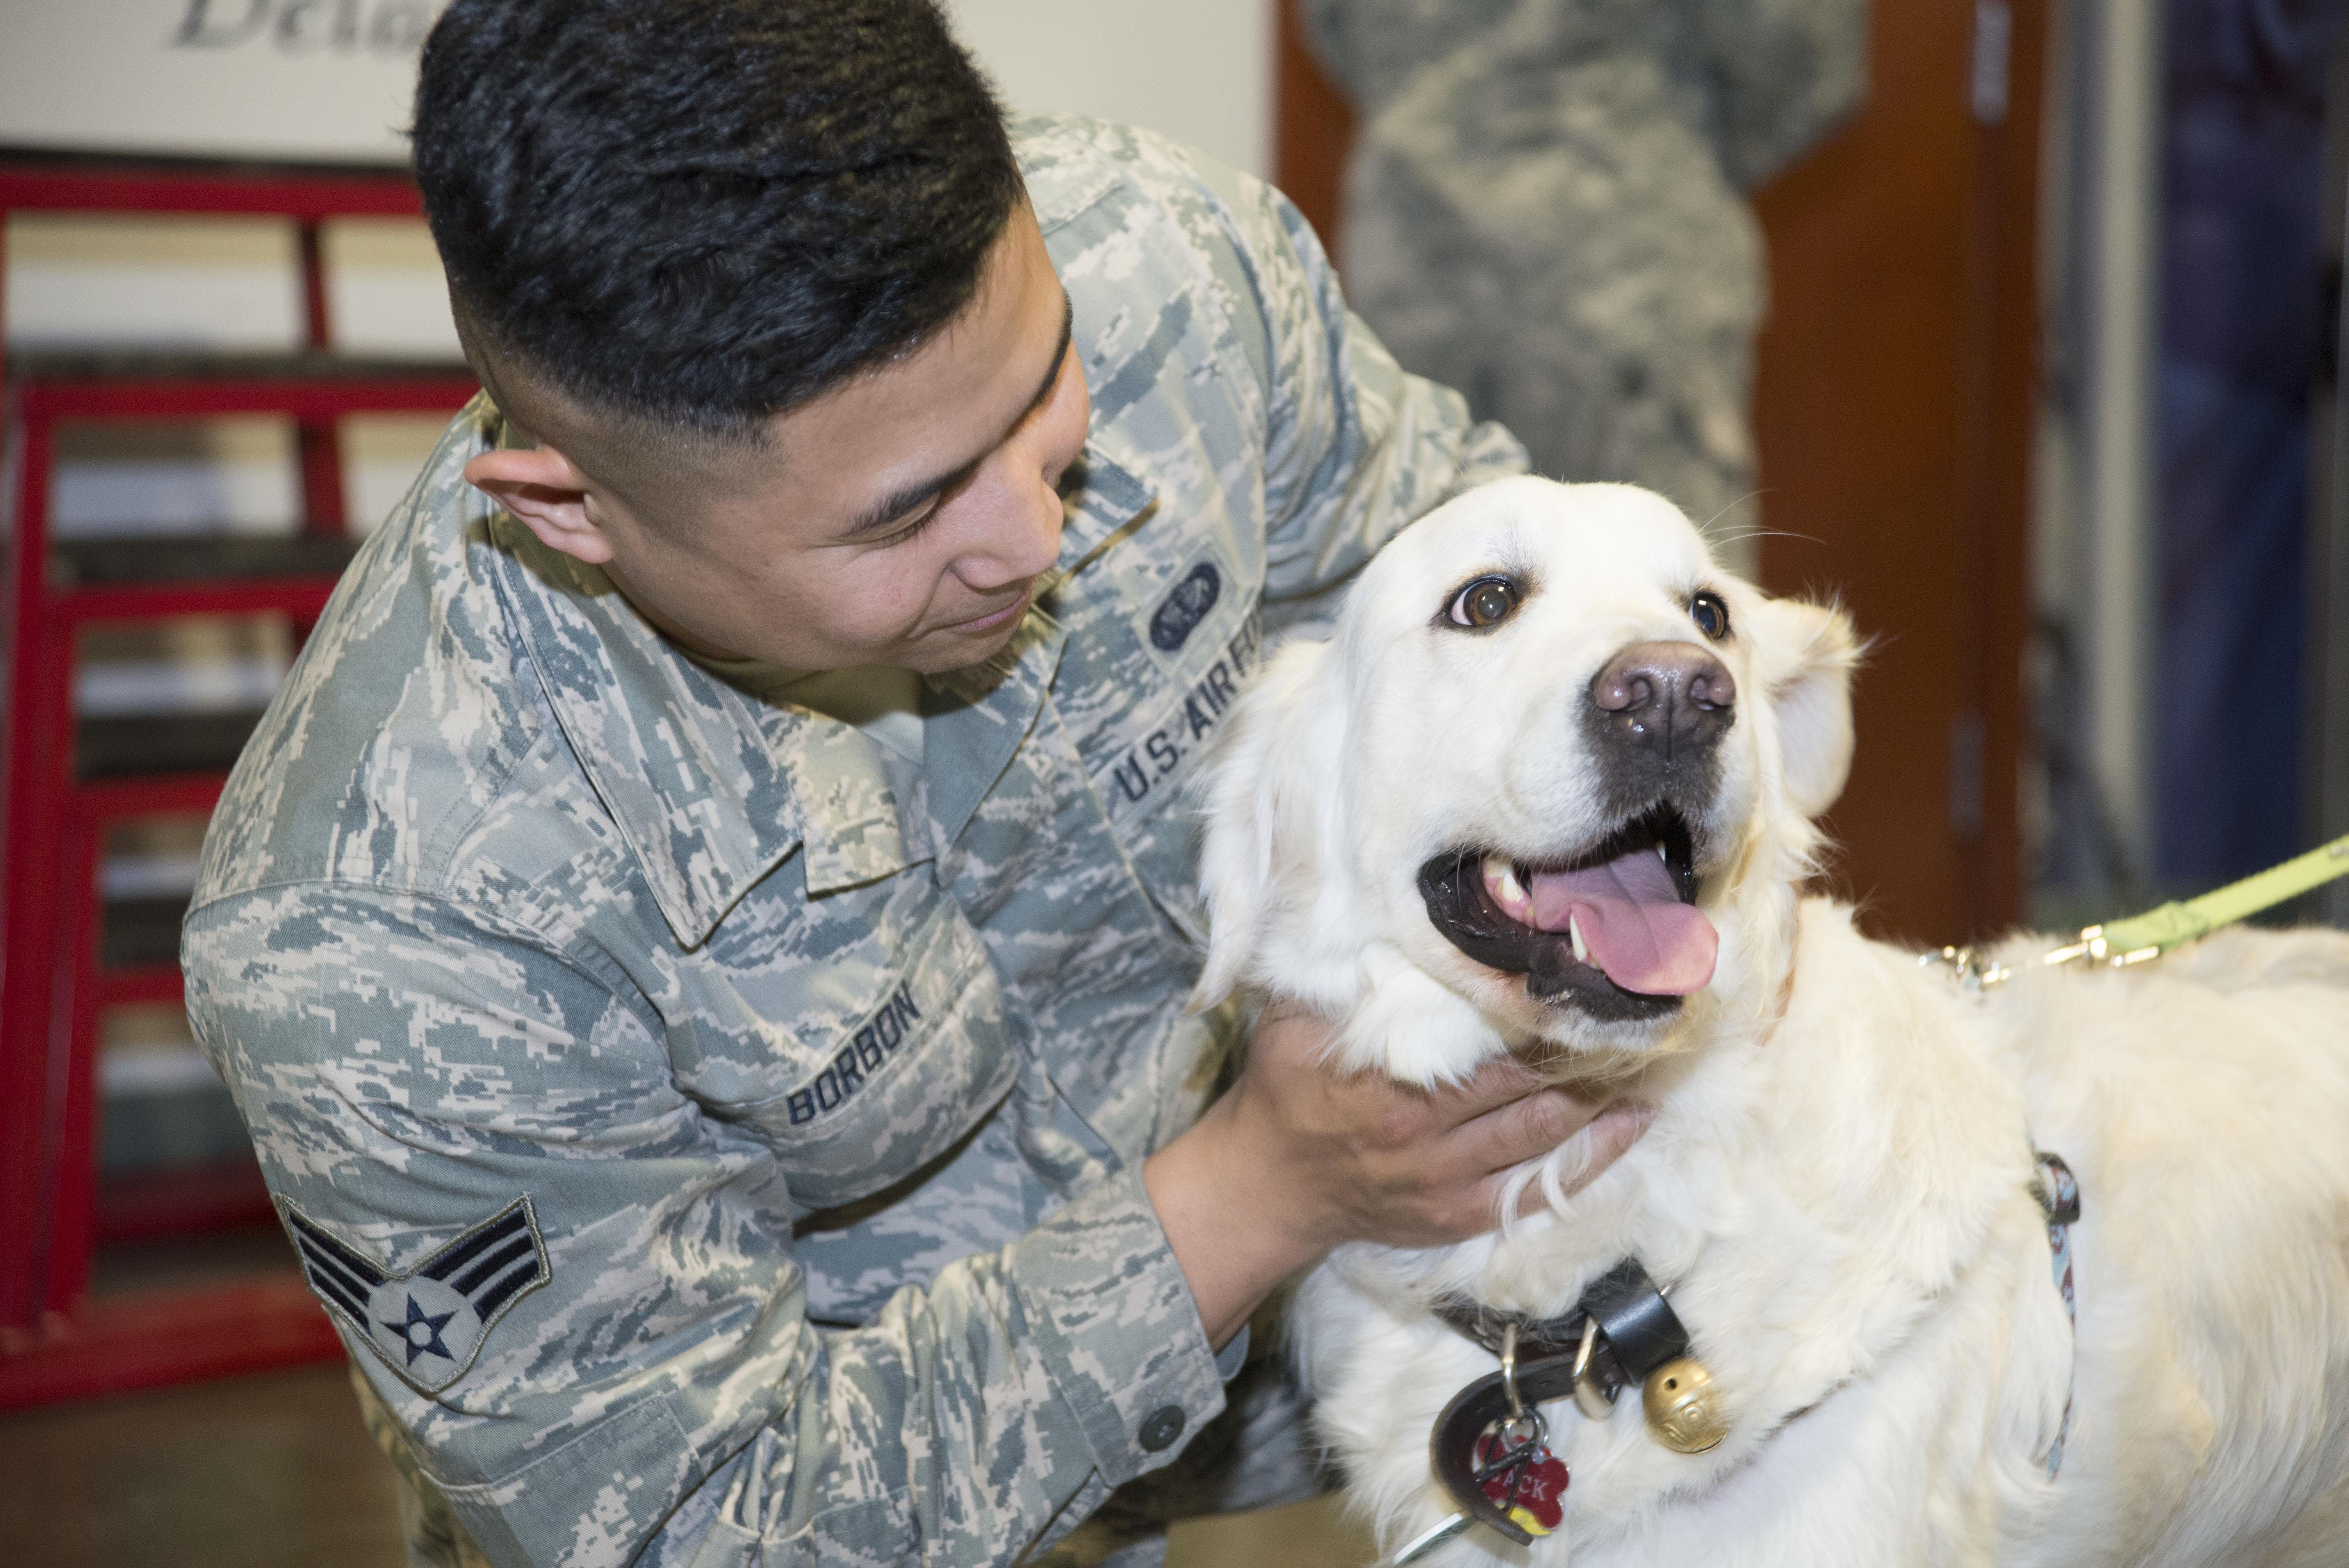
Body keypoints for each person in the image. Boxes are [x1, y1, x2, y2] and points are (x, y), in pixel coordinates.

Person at [180, 3, 1645, 1563]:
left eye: (1041, 397)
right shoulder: (389, 926)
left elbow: (1518, 644)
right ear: (573, 509)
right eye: (907, 514)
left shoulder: (1170, 268)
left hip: (1295, 1396)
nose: (1032, 534)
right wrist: (1253, 1196)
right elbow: (706, 1524)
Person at [1299, 0, 1868, 575]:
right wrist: (1657, 144)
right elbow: (1803, 59)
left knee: (1431, 602)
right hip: (1619, 251)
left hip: (1413, 250)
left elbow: (1333, 29)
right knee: (1664, 597)